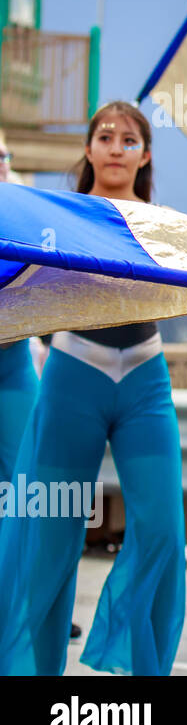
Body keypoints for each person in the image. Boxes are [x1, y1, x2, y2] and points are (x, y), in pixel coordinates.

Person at [0, 102, 186, 675]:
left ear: (145, 155)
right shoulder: (57, 217)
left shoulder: (162, 224)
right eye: (104, 136)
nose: (114, 146)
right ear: (88, 149)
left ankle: (135, 663)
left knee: (161, 529)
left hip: (144, 380)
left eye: (128, 140)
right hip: (72, 376)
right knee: (49, 540)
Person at [0, 138, 39, 485]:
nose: (1, 162)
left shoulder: (22, 209)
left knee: (24, 481)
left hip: (15, 359)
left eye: (3, 155)